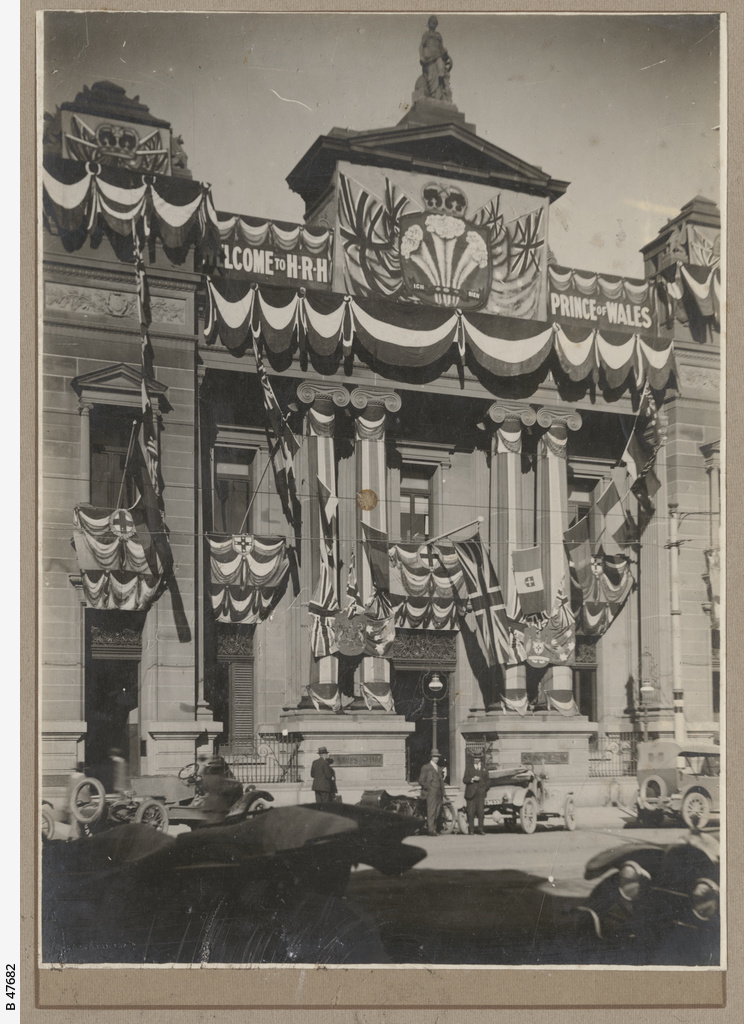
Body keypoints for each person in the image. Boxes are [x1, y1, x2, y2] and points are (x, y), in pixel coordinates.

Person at [418, 16, 453, 103]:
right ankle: (433, 96)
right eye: (431, 22)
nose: (432, 24)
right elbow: (421, 46)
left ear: (436, 25)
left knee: (441, 70)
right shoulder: (426, 34)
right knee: (431, 77)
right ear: (429, 24)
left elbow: (441, 47)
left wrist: (446, 54)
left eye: (434, 23)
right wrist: (421, 56)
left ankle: (441, 93)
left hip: (438, 56)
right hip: (429, 58)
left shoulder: (438, 35)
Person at [418, 752, 446, 835]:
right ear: (431, 757)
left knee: (437, 811)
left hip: (439, 793)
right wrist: (429, 788)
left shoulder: (439, 768)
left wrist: (444, 793)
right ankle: (431, 830)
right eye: (435, 757)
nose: (436, 758)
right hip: (431, 793)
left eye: (437, 757)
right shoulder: (426, 767)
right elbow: (421, 781)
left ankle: (434, 828)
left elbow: (441, 782)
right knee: (431, 811)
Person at [463, 754, 490, 835]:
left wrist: (484, 789)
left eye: (478, 758)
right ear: (473, 758)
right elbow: (464, 779)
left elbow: (488, 781)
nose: (476, 759)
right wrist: (472, 779)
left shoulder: (485, 768)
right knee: (471, 812)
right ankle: (471, 829)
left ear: (480, 759)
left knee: (480, 812)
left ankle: (480, 829)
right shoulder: (469, 767)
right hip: (470, 793)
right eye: (475, 758)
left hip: (480, 794)